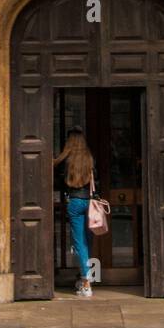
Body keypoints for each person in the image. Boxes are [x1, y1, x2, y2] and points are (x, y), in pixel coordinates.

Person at [53, 125, 98, 298]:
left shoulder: (66, 159)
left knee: (79, 242)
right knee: (87, 241)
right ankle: (83, 276)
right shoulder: (89, 158)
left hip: (75, 201)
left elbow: (60, 181)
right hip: (90, 202)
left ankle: (86, 282)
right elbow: (97, 179)